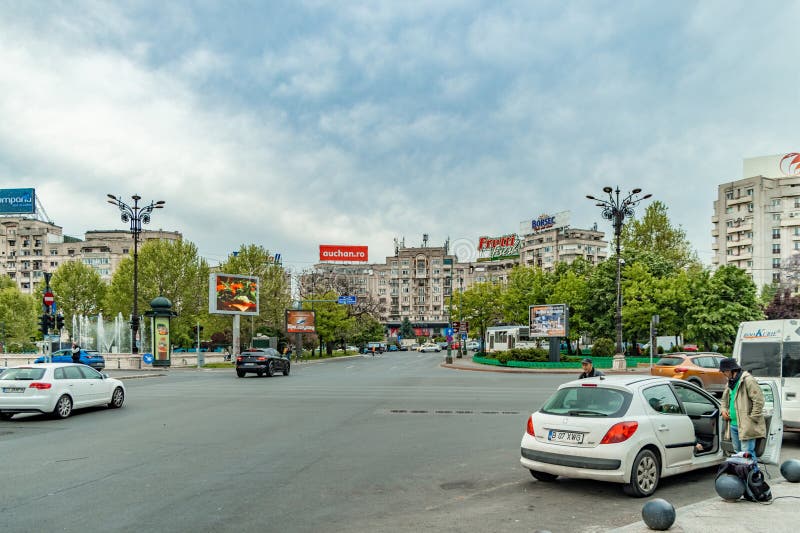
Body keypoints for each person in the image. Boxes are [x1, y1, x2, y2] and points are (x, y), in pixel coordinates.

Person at [719, 357, 765, 469]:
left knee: (747, 453)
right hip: (734, 425)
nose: (724, 374)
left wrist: (752, 419)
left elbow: (759, 400)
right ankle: (743, 476)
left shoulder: (748, 380)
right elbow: (724, 400)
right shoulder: (730, 382)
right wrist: (723, 410)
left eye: (724, 371)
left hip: (746, 425)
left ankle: (753, 477)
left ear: (731, 370)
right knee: (738, 454)